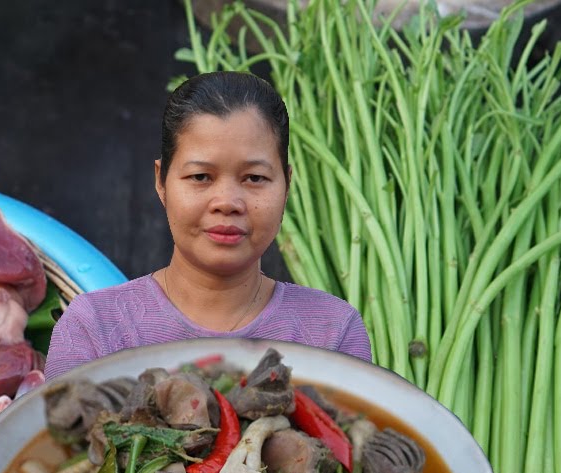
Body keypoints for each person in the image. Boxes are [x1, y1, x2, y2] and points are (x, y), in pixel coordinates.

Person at [44, 71, 372, 380]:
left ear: (286, 184)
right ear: (161, 181)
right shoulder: (94, 328)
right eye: (201, 177)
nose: (227, 202)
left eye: (255, 178)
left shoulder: (333, 331)